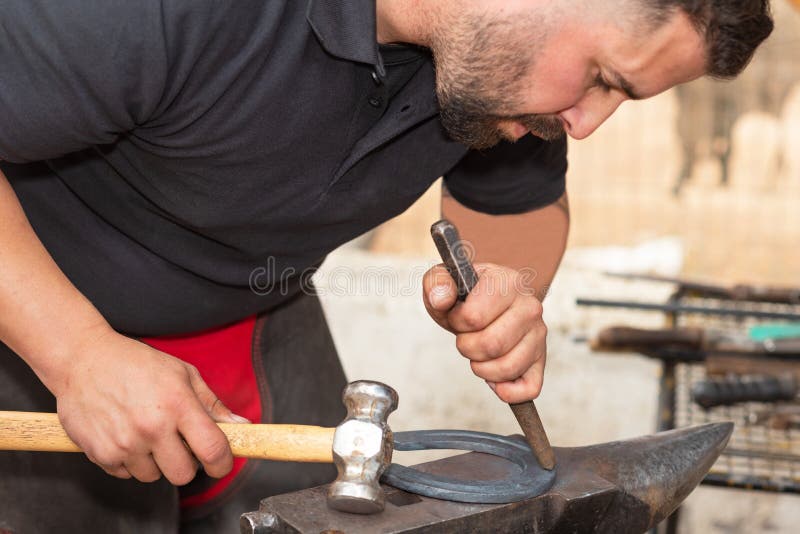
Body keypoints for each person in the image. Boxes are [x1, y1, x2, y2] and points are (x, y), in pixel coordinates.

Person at [0, 0, 772, 532]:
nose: (586, 122)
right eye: (605, 77)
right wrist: (75, 355)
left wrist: (509, 288)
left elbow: (515, 205)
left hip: (257, 313)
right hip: (35, 316)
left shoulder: (494, 60)